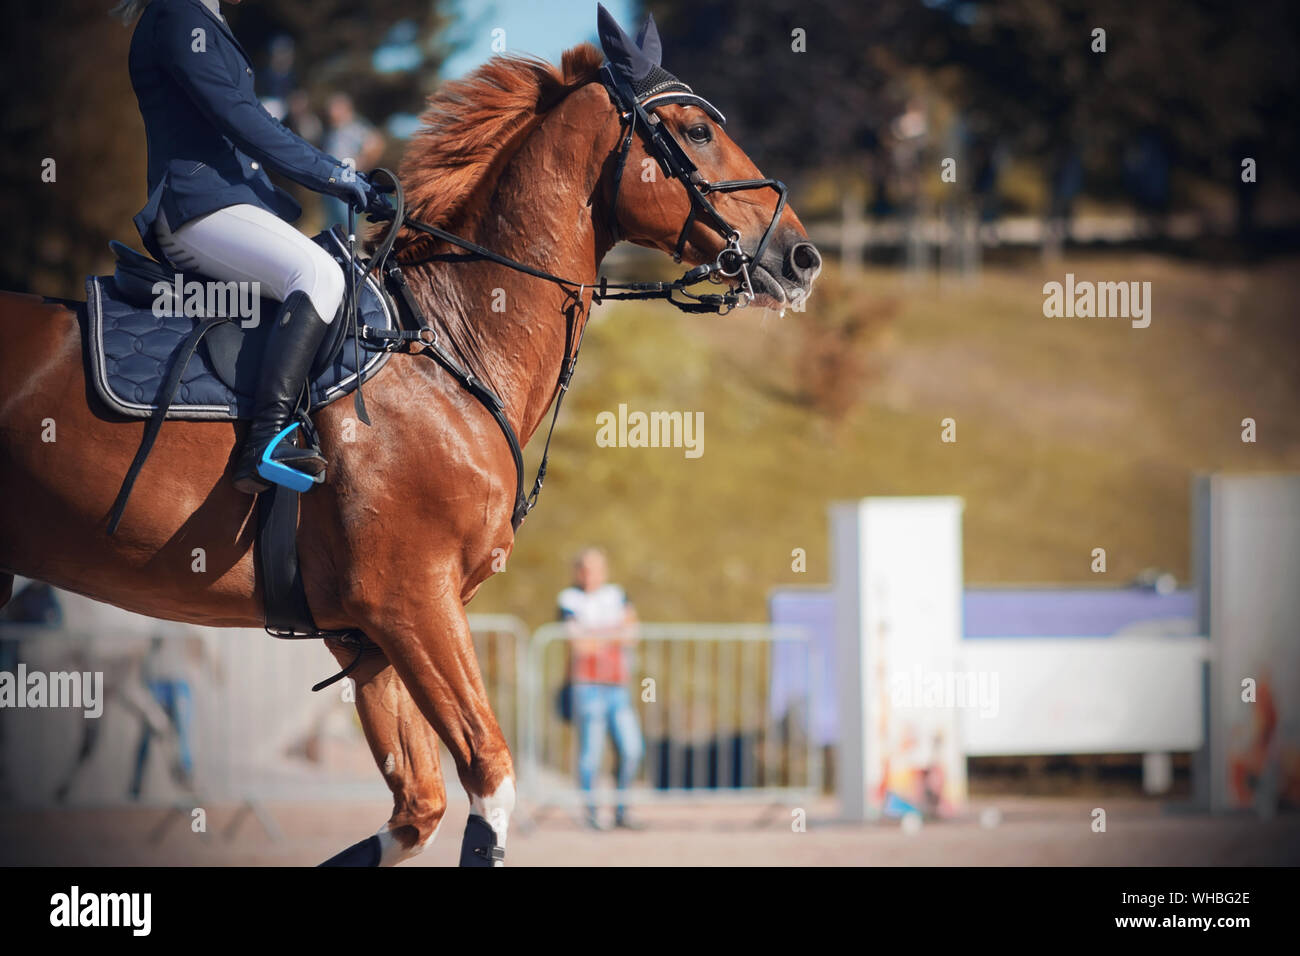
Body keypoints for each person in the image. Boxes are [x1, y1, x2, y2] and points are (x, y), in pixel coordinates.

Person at [112, 0, 388, 492]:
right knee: (319, 276)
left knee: (329, 270)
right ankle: (266, 440)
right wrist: (335, 175)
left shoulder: (204, 18)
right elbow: (242, 119)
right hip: (199, 207)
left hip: (228, 205)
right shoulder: (177, 15)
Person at [557, 548, 645, 830]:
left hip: (617, 685)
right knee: (590, 755)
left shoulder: (616, 594)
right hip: (587, 686)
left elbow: (633, 634)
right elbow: (578, 645)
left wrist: (596, 636)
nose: (590, 575)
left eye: (596, 569)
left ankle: (621, 810)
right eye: (585, 569)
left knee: (632, 749)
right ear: (578, 572)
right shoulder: (569, 599)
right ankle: (592, 814)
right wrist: (614, 634)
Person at [321, 94, 387, 226]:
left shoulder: (355, 127)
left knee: (348, 224)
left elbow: (376, 143)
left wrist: (362, 165)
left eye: (335, 108)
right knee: (332, 224)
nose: (330, 111)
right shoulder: (332, 130)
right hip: (330, 183)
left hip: (346, 183)